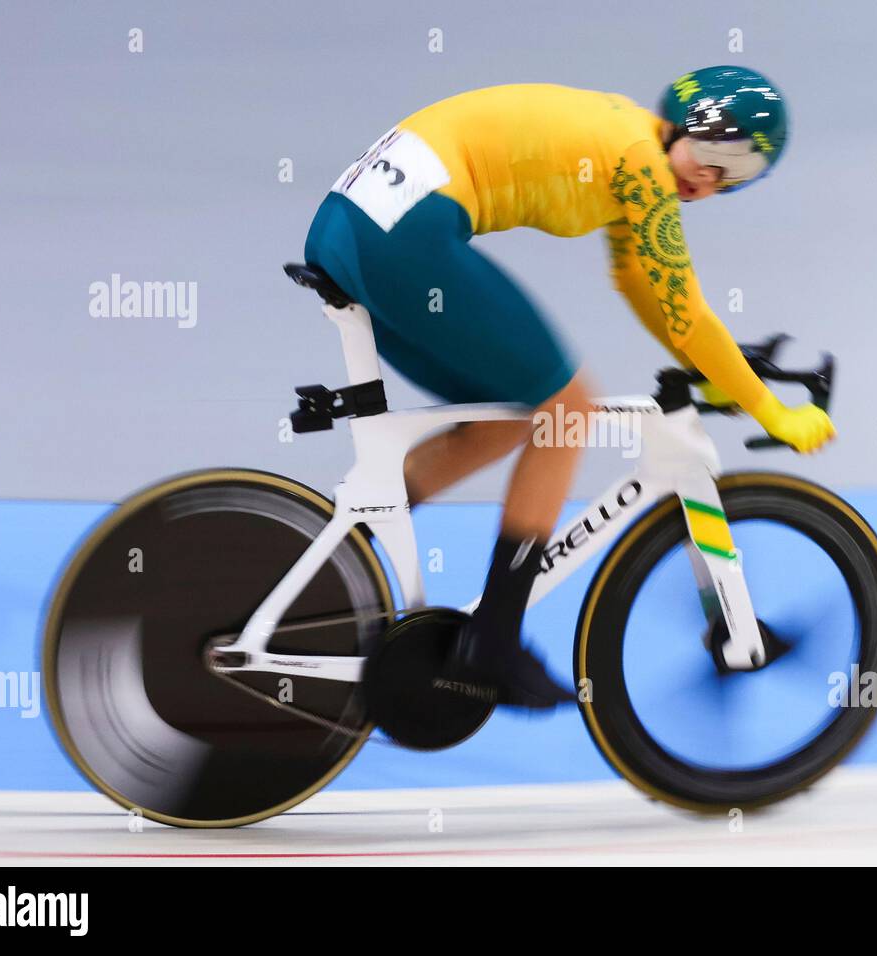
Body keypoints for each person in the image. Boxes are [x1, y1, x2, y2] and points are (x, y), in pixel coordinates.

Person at [302, 66, 836, 709]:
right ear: (682, 124)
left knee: (516, 415)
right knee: (568, 411)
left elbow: (648, 287)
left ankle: (328, 570)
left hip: (352, 227)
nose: (715, 176)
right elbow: (685, 312)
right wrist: (769, 409)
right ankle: (490, 645)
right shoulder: (639, 158)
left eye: (741, 170)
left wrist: (721, 371)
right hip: (402, 234)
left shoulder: (629, 152)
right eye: (718, 149)